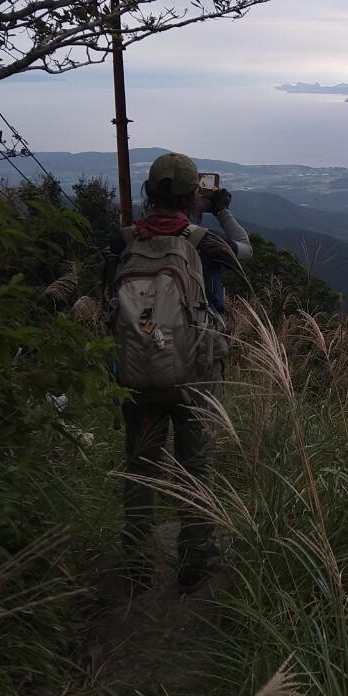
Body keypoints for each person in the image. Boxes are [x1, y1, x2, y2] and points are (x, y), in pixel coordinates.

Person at [106, 151, 252, 593]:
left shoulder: (123, 240)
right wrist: (223, 210)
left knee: (140, 467)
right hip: (195, 370)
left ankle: (136, 564)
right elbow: (245, 251)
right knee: (196, 466)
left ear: (150, 193)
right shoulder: (203, 242)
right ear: (194, 196)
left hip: (137, 368)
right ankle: (197, 559)